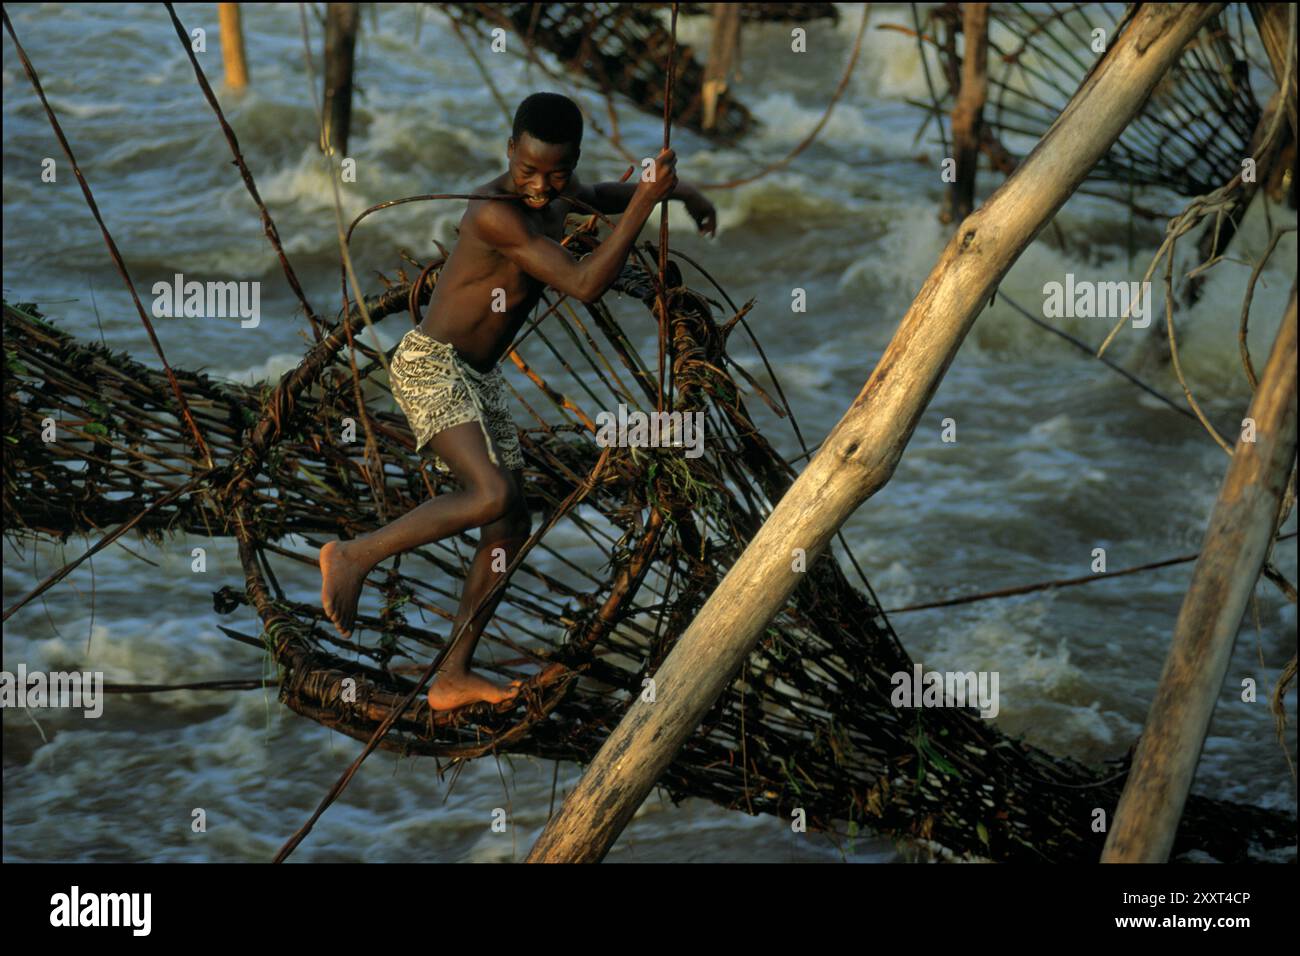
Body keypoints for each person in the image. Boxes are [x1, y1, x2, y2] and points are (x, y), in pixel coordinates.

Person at [319, 91, 717, 711]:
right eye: (527, 170)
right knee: (492, 495)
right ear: (509, 152)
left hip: (476, 377)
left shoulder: (558, 191)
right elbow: (585, 284)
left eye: (555, 173)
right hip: (431, 366)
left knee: (510, 521)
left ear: (572, 161)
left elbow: (604, 197)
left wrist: (682, 192)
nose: (540, 187)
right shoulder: (493, 214)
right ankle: (352, 555)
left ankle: (452, 674)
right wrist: (647, 199)